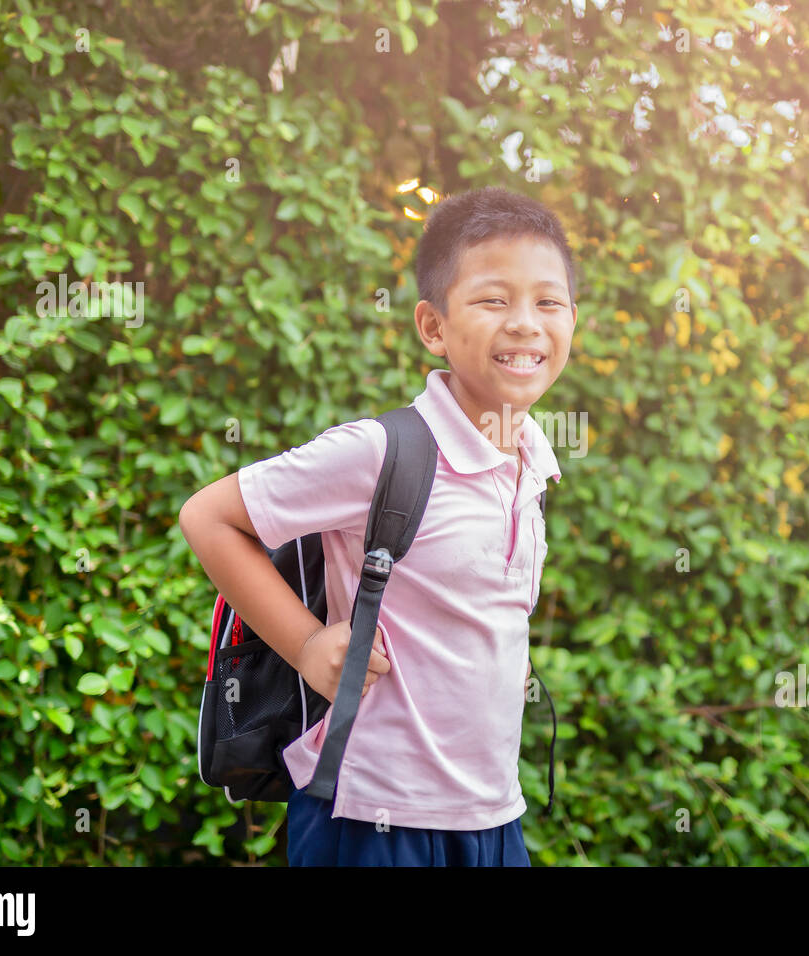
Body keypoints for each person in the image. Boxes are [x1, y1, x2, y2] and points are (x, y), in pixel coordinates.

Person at [178, 186, 577, 865]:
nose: (524, 323)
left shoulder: (534, 461)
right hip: (370, 818)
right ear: (433, 325)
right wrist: (306, 645)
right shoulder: (382, 451)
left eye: (548, 301)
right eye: (492, 300)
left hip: (494, 818)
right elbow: (207, 516)